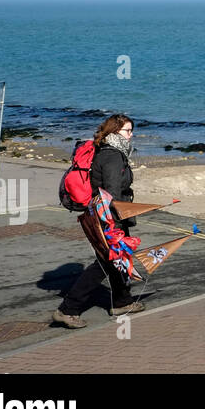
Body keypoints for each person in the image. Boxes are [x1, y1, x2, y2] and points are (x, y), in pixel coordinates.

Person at [53, 114, 145, 328]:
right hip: (109, 218)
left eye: (131, 130)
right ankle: (67, 309)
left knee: (117, 259)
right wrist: (120, 218)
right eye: (127, 131)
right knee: (105, 262)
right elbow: (111, 193)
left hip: (97, 214)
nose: (131, 135)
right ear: (114, 132)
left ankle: (122, 301)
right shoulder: (113, 156)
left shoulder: (102, 151)